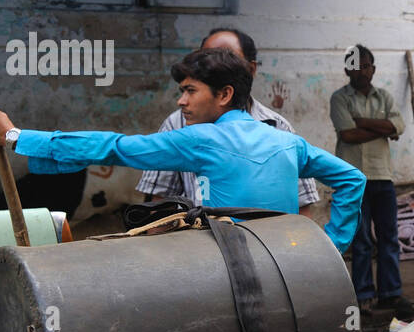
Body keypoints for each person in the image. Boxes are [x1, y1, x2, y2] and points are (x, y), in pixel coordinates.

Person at [0, 48, 364, 253]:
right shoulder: (287, 141)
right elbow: (352, 178)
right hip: (290, 267)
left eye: (190, 91)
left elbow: (112, 147)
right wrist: (333, 243)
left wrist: (15, 137)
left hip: (229, 271)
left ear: (224, 95)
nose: (181, 102)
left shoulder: (200, 140)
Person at [136, 27, 319, 212]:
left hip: (267, 238)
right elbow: (158, 200)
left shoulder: (277, 127)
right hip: (201, 238)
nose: (216, 67)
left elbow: (303, 204)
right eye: (206, 60)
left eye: (228, 58)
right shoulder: (176, 125)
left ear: (251, 69)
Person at [329, 44, 414, 318]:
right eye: (355, 66)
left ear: (373, 69)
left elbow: (397, 127)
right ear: (347, 69)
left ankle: (391, 293)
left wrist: (361, 122)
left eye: (366, 66)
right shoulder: (339, 98)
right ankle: (363, 295)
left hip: (382, 177)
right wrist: (380, 129)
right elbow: (348, 135)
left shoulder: (385, 97)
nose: (361, 71)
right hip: (353, 180)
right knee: (362, 239)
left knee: (389, 238)